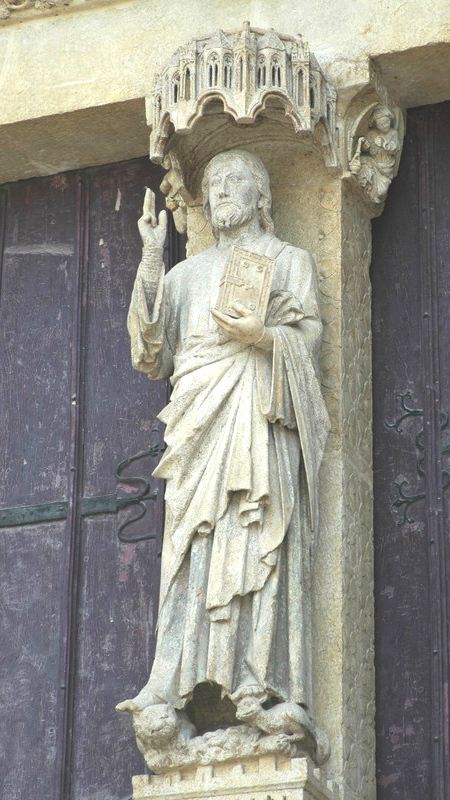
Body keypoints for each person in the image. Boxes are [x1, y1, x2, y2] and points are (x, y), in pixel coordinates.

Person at [117, 149, 330, 736]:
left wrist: (264, 336)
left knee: (262, 538)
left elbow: (307, 336)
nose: (222, 191)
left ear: (263, 196)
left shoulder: (289, 262)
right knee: (191, 547)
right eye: (212, 184)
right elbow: (151, 355)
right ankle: (172, 684)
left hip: (259, 416)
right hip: (199, 425)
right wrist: (153, 260)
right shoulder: (186, 275)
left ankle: (264, 685)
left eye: (236, 180)